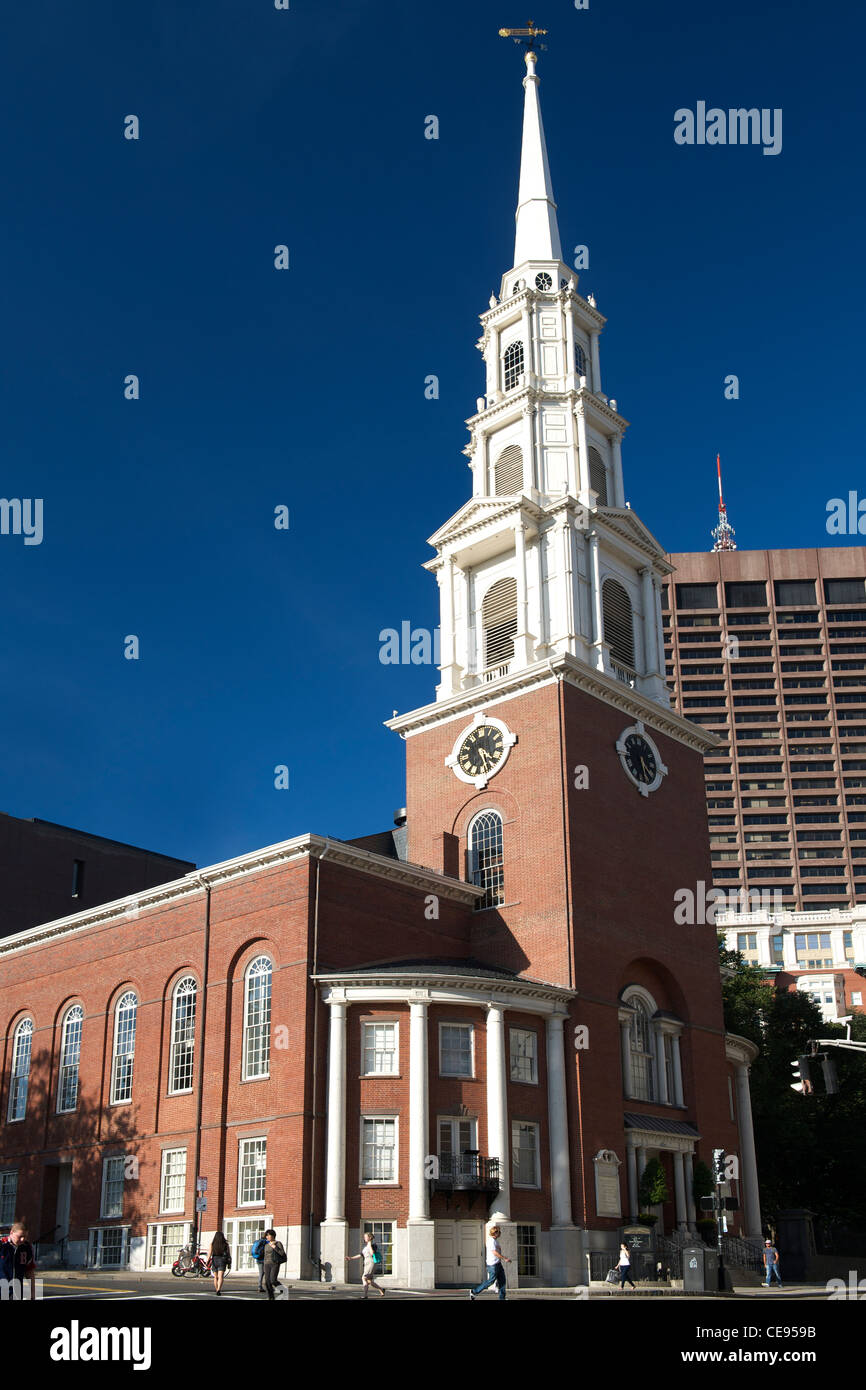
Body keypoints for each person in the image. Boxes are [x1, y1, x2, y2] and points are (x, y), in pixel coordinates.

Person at [469, 1224, 510, 1301]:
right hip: (493, 1265)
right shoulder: (491, 1241)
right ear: (495, 1233)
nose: (500, 1233)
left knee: (502, 1280)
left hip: (498, 1264)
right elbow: (495, 1252)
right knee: (491, 1281)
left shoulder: (495, 1241)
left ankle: (502, 1298)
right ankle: (474, 1291)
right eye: (498, 1232)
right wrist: (504, 1258)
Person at [0, 1222, 37, 1300]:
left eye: (25, 1237)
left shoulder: (27, 1248)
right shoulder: (2, 1245)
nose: (22, 1239)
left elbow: (29, 1272)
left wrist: (32, 1293)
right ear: (11, 1233)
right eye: (20, 1236)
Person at [347, 1230, 385, 1298]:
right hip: (366, 1263)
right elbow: (361, 1255)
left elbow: (372, 1253)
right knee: (369, 1281)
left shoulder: (373, 1245)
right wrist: (351, 1258)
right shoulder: (365, 1247)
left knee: (364, 1278)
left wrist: (370, 1244)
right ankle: (381, 1289)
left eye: (365, 1237)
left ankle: (365, 1295)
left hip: (371, 1263)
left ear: (370, 1238)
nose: (364, 1238)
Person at [261, 1229, 286, 1300]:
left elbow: (282, 1253)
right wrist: (264, 1263)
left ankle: (283, 1289)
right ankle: (271, 1297)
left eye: (268, 1235)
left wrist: (275, 1247)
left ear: (273, 1236)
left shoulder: (278, 1243)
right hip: (267, 1264)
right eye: (266, 1235)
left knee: (273, 1280)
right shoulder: (266, 1245)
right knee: (267, 1282)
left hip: (275, 1263)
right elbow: (265, 1255)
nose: (267, 1237)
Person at [209, 1230, 231, 1296]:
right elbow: (228, 1254)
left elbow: (210, 1253)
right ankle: (219, 1289)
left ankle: (216, 1289)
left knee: (215, 1277)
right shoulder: (225, 1244)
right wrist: (229, 1262)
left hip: (214, 1260)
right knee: (220, 1276)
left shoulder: (212, 1244)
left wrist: (207, 1261)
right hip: (222, 1260)